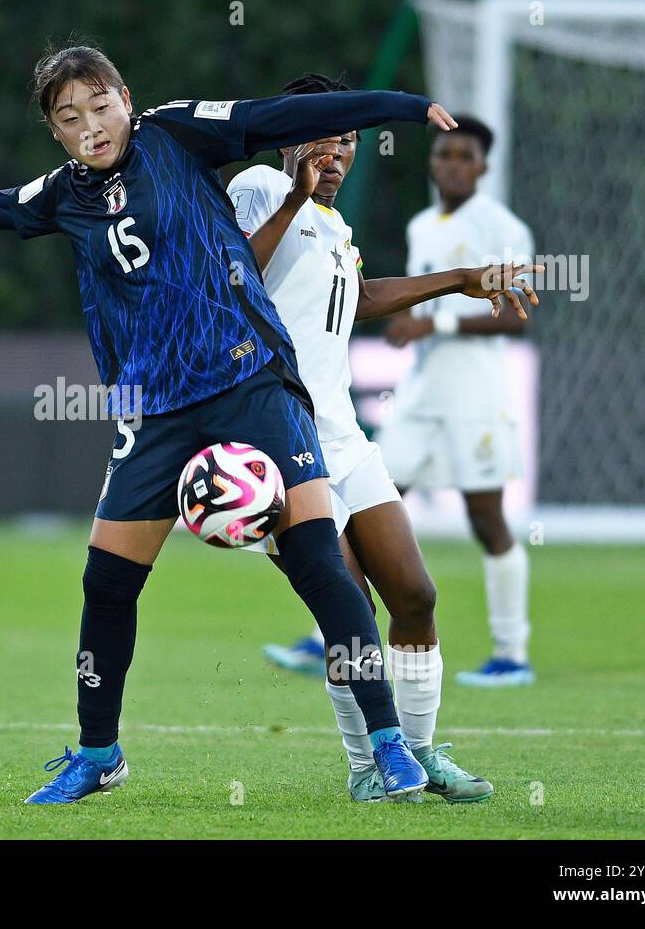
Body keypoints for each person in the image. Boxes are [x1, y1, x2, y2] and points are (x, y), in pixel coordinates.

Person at [0, 44, 462, 803]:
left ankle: (388, 747)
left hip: (251, 379)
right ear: (55, 131)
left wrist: (401, 107)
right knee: (106, 584)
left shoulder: (177, 134)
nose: (89, 127)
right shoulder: (60, 195)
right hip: (154, 408)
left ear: (125, 97)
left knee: (319, 561)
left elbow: (285, 117)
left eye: (99, 106)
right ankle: (98, 754)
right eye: (68, 117)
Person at [228, 74, 538, 801]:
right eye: (322, 140)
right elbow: (238, 274)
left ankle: (421, 754)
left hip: (345, 435)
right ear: (289, 136)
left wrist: (456, 280)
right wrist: (299, 192)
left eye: (348, 143)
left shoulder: (336, 227)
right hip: (279, 440)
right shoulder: (257, 188)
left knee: (417, 595)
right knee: (350, 610)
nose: (335, 155)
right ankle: (368, 766)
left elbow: (356, 299)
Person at [378, 116, 538, 688]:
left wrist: (433, 322)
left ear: (483, 166)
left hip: (476, 397)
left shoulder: (504, 228)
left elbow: (518, 320)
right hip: (421, 395)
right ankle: (342, 635)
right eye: (443, 154)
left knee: (486, 519)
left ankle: (511, 653)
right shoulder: (423, 224)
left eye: (463, 156)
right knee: (369, 506)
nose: (450, 164)